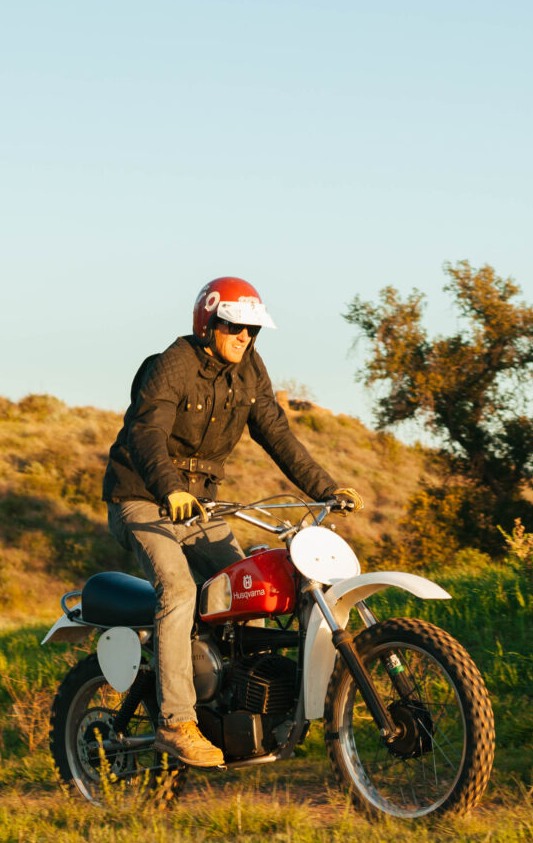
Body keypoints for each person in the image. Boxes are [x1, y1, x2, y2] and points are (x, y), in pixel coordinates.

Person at [102, 277, 363, 767]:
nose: (245, 337)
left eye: (253, 331)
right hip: (141, 498)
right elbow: (147, 433)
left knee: (251, 590)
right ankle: (176, 723)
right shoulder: (171, 366)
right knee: (178, 589)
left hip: (201, 507)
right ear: (209, 323)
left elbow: (278, 435)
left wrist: (327, 488)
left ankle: (243, 707)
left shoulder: (250, 372)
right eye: (235, 327)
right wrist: (169, 489)